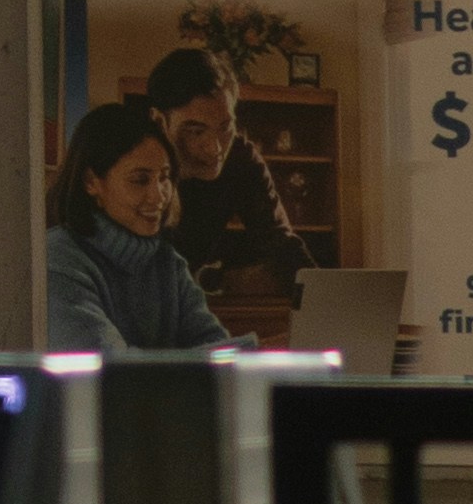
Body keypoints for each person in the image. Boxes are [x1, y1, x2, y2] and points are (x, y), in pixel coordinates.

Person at [42, 95, 224, 358]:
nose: (159, 195)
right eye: (140, 180)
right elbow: (108, 373)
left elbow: (218, 353)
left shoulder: (168, 264)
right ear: (91, 181)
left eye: (164, 177)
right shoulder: (58, 260)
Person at [139, 43, 306, 328]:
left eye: (225, 127)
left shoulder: (239, 156)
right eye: (195, 131)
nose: (215, 148)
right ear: (159, 121)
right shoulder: (131, 163)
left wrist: (324, 306)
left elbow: (280, 242)